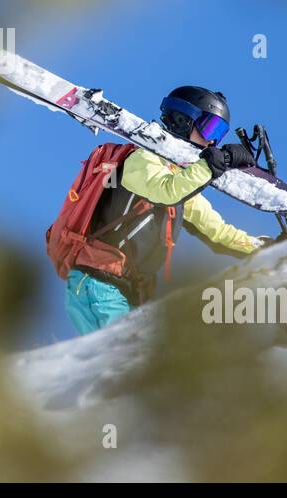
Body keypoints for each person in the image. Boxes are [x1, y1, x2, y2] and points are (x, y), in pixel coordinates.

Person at [64, 85, 267, 335]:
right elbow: (164, 191)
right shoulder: (141, 159)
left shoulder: (182, 182)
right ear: (183, 120)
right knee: (126, 363)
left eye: (219, 133)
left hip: (128, 292)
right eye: (210, 128)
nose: (213, 140)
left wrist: (265, 246)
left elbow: (217, 231)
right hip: (98, 284)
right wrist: (214, 164)